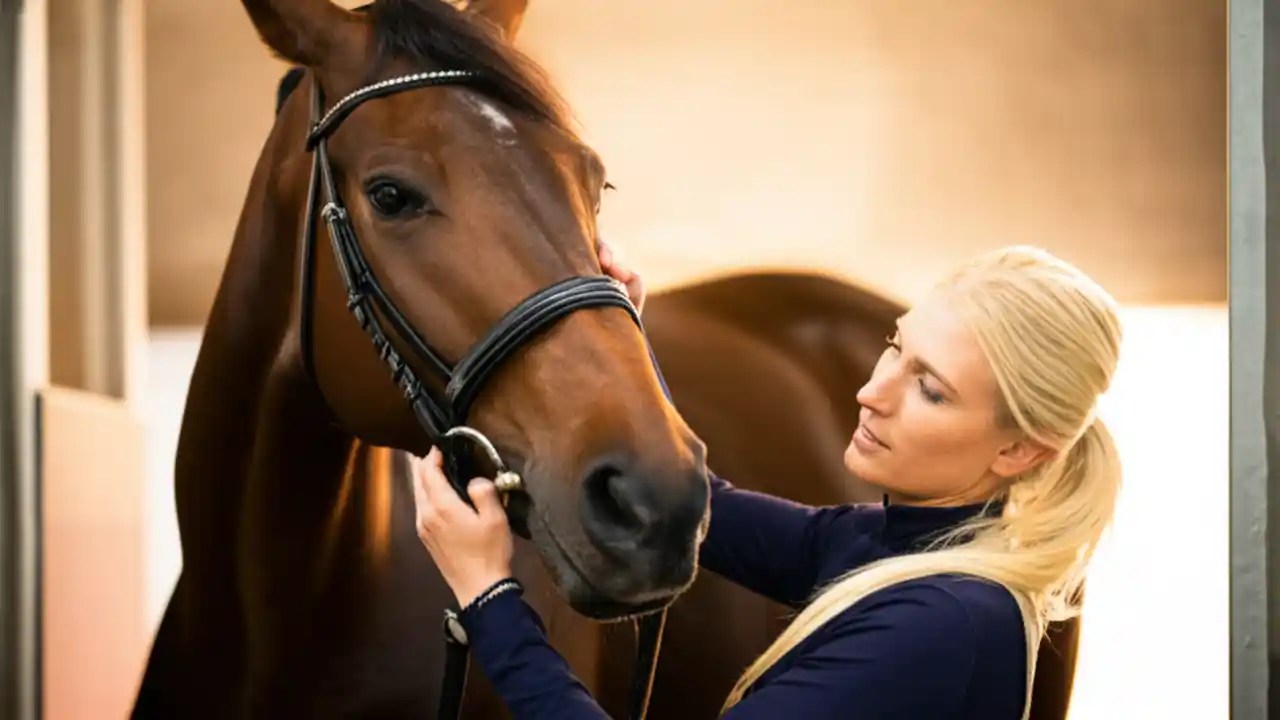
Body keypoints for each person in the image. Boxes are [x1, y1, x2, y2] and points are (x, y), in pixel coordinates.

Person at [409, 242, 1124, 719]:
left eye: (930, 389)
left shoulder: (942, 624)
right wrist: (618, 332)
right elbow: (706, 502)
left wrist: (488, 595)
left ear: (1020, 452)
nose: (874, 393)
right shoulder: (891, 548)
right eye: (895, 349)